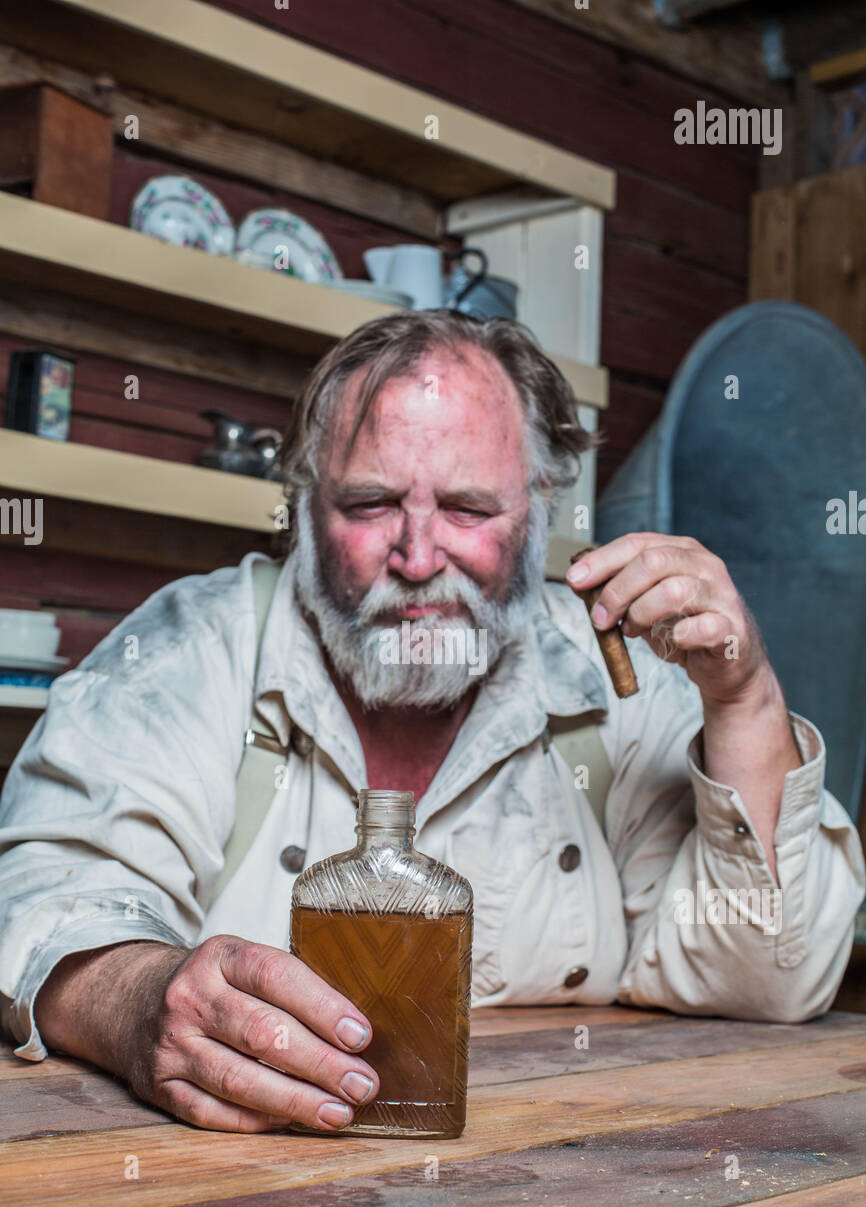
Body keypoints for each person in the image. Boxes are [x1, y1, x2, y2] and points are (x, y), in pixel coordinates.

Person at [0, 311, 862, 1135]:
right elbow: (48, 898)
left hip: (560, 1181)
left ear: (541, 508)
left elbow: (770, 979)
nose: (417, 559)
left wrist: (742, 697)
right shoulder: (196, 646)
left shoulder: (609, 675)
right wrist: (145, 1001)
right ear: (304, 505)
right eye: (371, 504)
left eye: (468, 510)